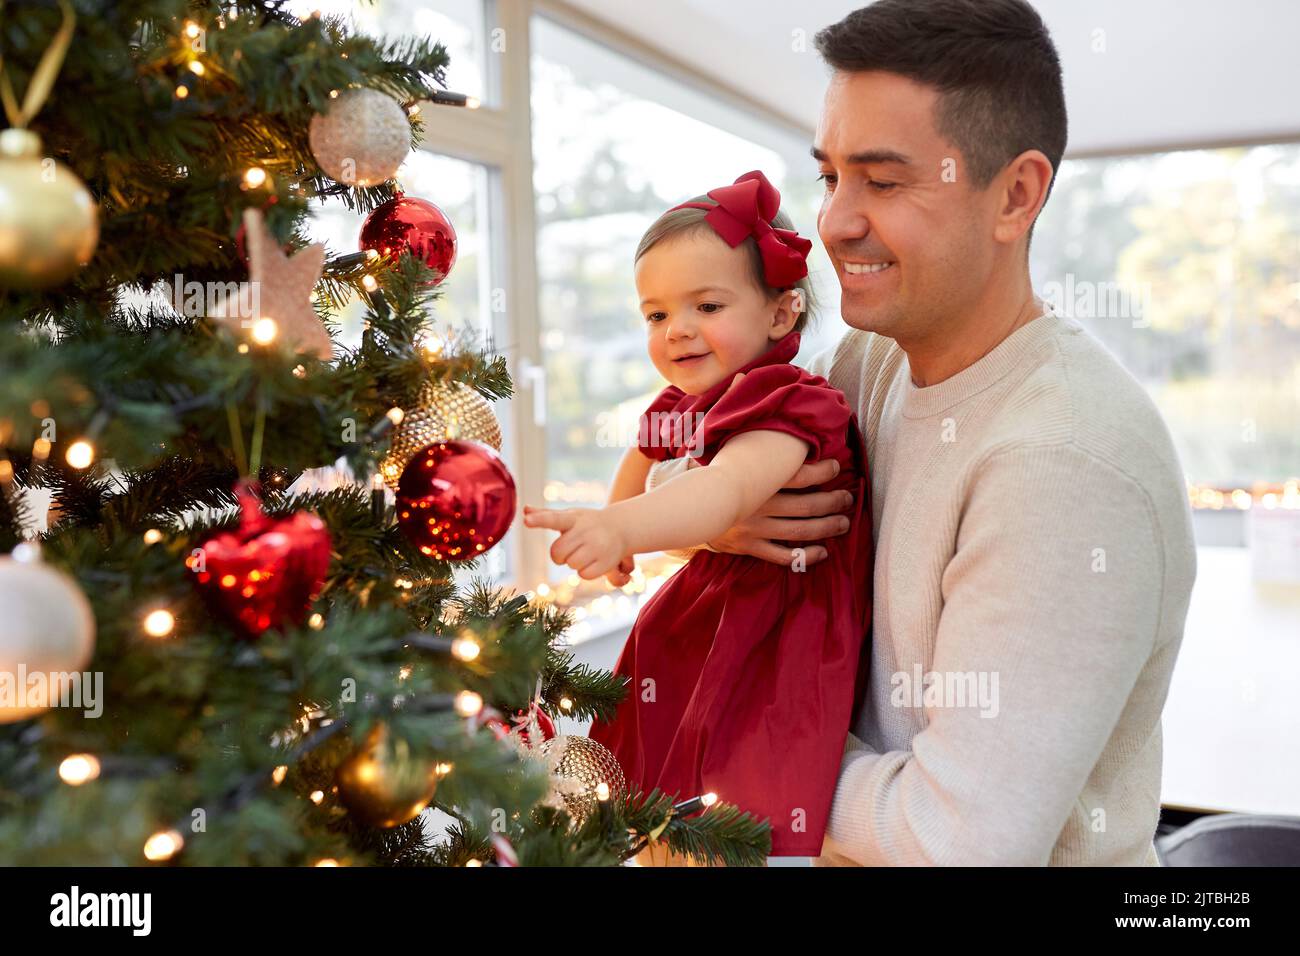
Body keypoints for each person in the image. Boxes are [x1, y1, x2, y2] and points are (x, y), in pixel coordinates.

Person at [645, 0, 1197, 865]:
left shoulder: (1063, 463)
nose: (833, 222)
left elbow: (956, 840)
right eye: (829, 175)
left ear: (1014, 196)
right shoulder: (869, 362)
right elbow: (692, 468)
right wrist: (713, 513)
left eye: (884, 180)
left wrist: (725, 721)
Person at [523, 171, 873, 860]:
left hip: (769, 637)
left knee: (735, 800)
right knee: (652, 785)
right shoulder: (680, 405)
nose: (677, 330)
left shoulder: (788, 400)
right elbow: (642, 463)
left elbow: (725, 491)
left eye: (706, 306)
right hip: (695, 623)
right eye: (656, 315)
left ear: (780, 314)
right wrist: (614, 522)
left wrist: (624, 530)